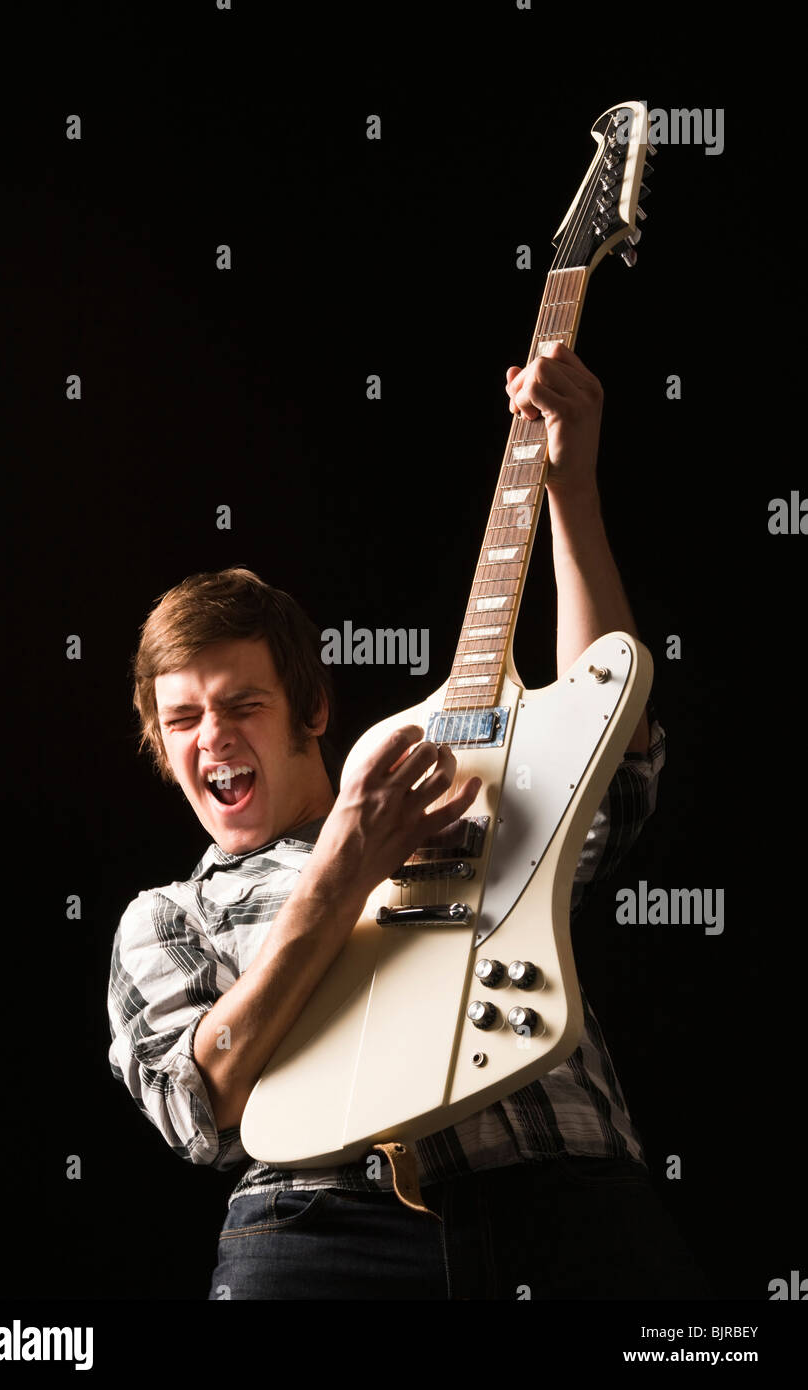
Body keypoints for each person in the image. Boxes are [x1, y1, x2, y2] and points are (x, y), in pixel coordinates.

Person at [107, 344, 712, 1300]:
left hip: (571, 1201)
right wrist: (346, 861)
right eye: (182, 719)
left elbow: (616, 764)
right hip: (321, 1231)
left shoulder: (450, 798)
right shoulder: (165, 919)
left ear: (312, 711)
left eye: (242, 705)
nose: (211, 736)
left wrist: (572, 493)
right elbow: (197, 1110)